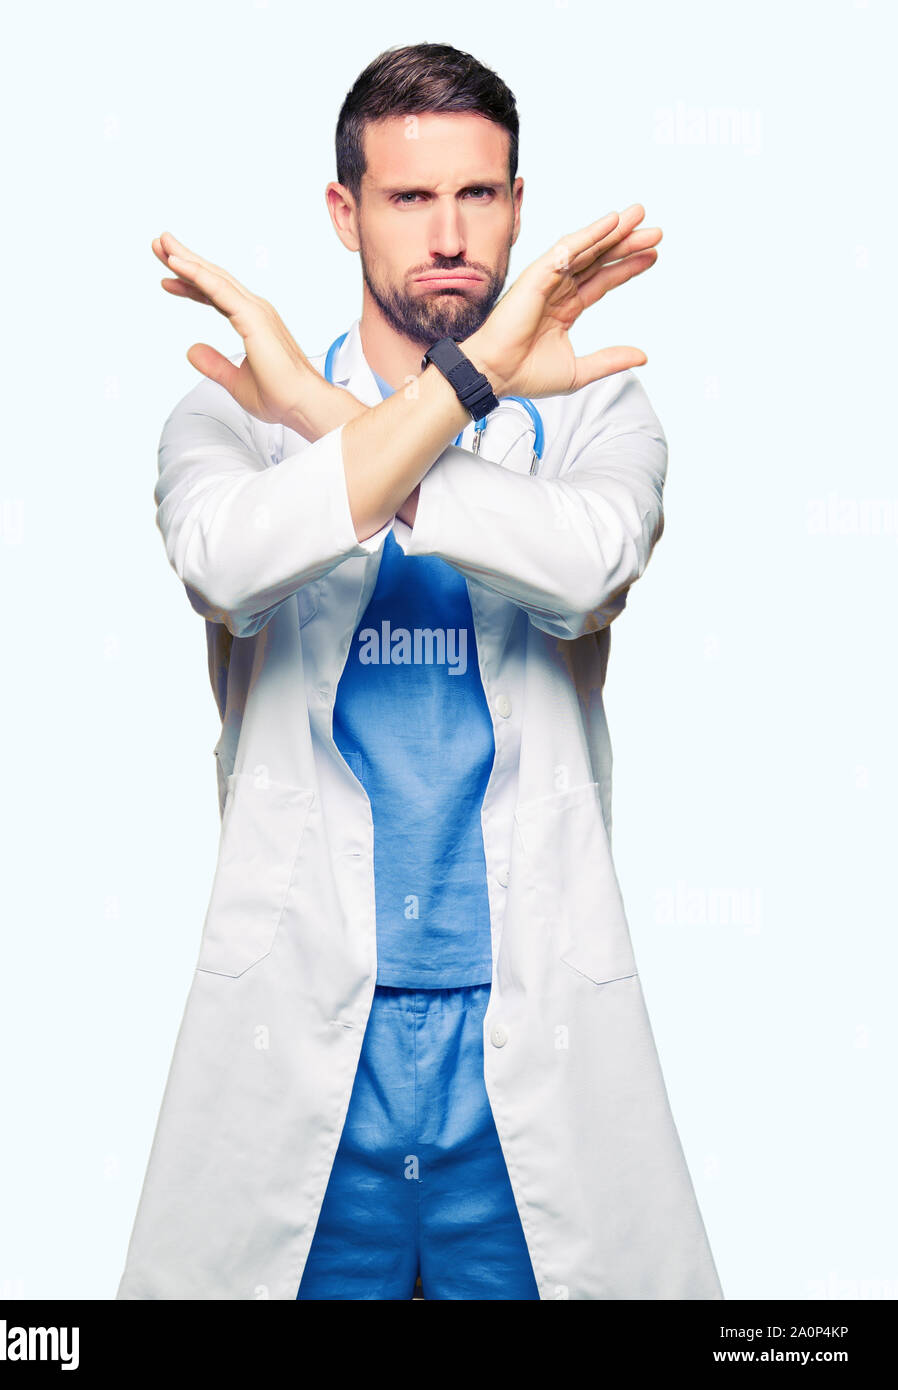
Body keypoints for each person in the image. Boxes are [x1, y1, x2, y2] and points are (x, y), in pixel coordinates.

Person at [116, 41, 724, 1301]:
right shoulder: (231, 408)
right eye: (407, 198)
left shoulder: (600, 410)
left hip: (524, 1044)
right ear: (344, 212)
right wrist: (467, 387)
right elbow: (227, 563)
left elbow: (581, 572)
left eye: (481, 195)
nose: (449, 234)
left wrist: (427, 397)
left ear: (515, 202)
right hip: (306, 1049)